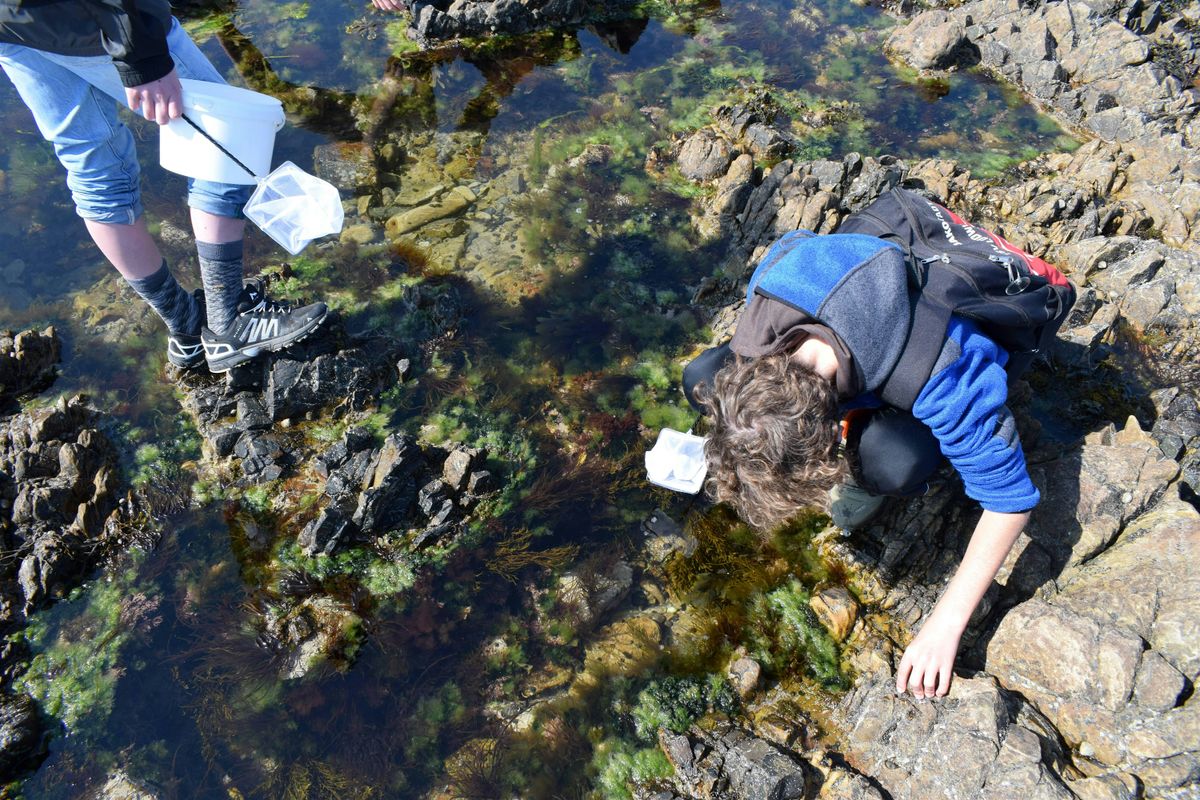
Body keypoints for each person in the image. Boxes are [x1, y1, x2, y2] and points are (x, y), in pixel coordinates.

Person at [683, 230, 1044, 701]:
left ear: (833, 436)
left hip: (979, 298)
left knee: (893, 462)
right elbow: (794, 238)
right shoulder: (767, 302)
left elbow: (1011, 502)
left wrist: (945, 625)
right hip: (871, 284)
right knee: (699, 375)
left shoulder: (943, 376)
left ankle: (874, 464)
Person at [0, 0, 327, 373]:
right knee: (230, 133)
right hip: (94, 22)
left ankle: (185, 327)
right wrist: (141, 53)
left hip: (15, 26)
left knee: (95, 169)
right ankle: (229, 321)